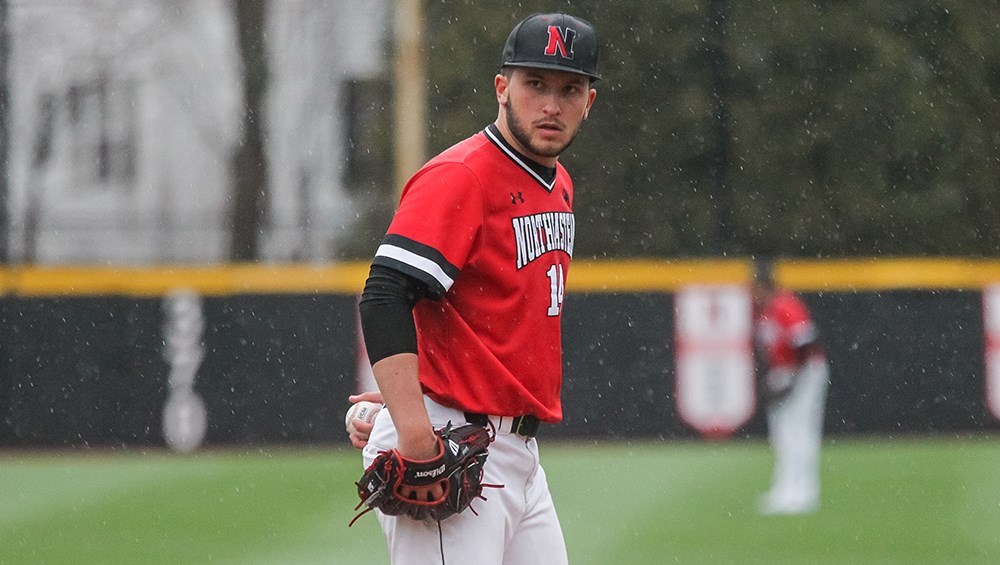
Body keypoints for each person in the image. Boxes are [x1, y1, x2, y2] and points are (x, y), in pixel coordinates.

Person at [351, 12, 600, 564]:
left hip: (518, 453)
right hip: (452, 445)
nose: (551, 104)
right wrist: (415, 429)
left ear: (590, 102)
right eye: (535, 84)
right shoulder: (463, 175)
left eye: (569, 88)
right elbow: (386, 294)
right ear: (502, 88)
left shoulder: (557, 183)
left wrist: (410, 391)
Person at [751, 260, 830, 515]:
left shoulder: (785, 305)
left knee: (800, 431)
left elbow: (807, 343)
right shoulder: (765, 310)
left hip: (805, 372)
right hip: (785, 372)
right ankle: (785, 490)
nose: (752, 292)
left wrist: (794, 380)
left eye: (755, 286)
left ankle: (804, 493)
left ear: (765, 285)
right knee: (783, 433)